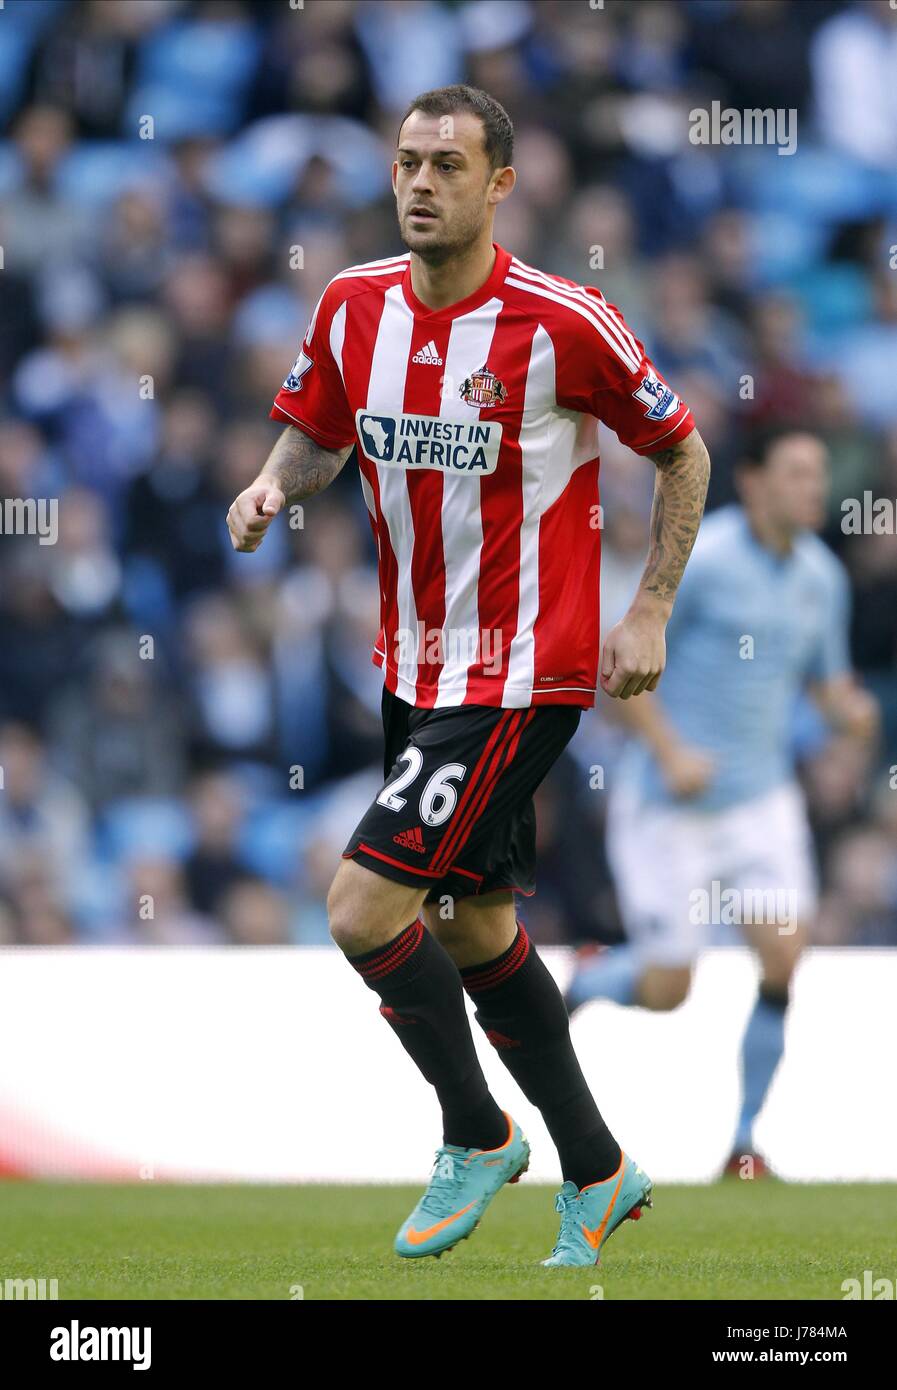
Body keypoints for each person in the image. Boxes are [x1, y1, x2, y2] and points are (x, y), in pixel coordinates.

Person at [227, 85, 710, 1265]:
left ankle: (476, 1131)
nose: (420, 182)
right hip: (413, 671)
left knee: (362, 909)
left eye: (448, 163)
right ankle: (597, 1169)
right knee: (474, 925)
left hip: (520, 674)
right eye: (407, 161)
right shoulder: (351, 307)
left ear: (500, 184)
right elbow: (320, 431)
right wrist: (272, 485)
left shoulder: (564, 320)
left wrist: (647, 607)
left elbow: (682, 449)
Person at [567, 428, 878, 1174]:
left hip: (760, 801)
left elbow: (827, 686)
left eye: (819, 473)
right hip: (670, 804)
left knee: (781, 956)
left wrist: (854, 714)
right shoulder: (701, 561)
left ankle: (743, 1143)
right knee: (668, 987)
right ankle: (589, 977)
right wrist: (671, 752)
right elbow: (619, 664)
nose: (815, 488)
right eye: (797, 472)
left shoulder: (818, 577)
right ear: (753, 481)